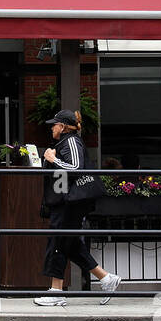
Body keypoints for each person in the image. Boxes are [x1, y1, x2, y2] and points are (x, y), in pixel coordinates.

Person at [33, 109, 122, 307]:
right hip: (65, 201)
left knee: (58, 242)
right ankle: (106, 279)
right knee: (69, 244)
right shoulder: (63, 142)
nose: (52, 127)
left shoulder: (71, 141)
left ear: (63, 126)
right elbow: (63, 175)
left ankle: (56, 291)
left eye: (54, 124)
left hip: (71, 202)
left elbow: (75, 168)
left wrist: (52, 160)